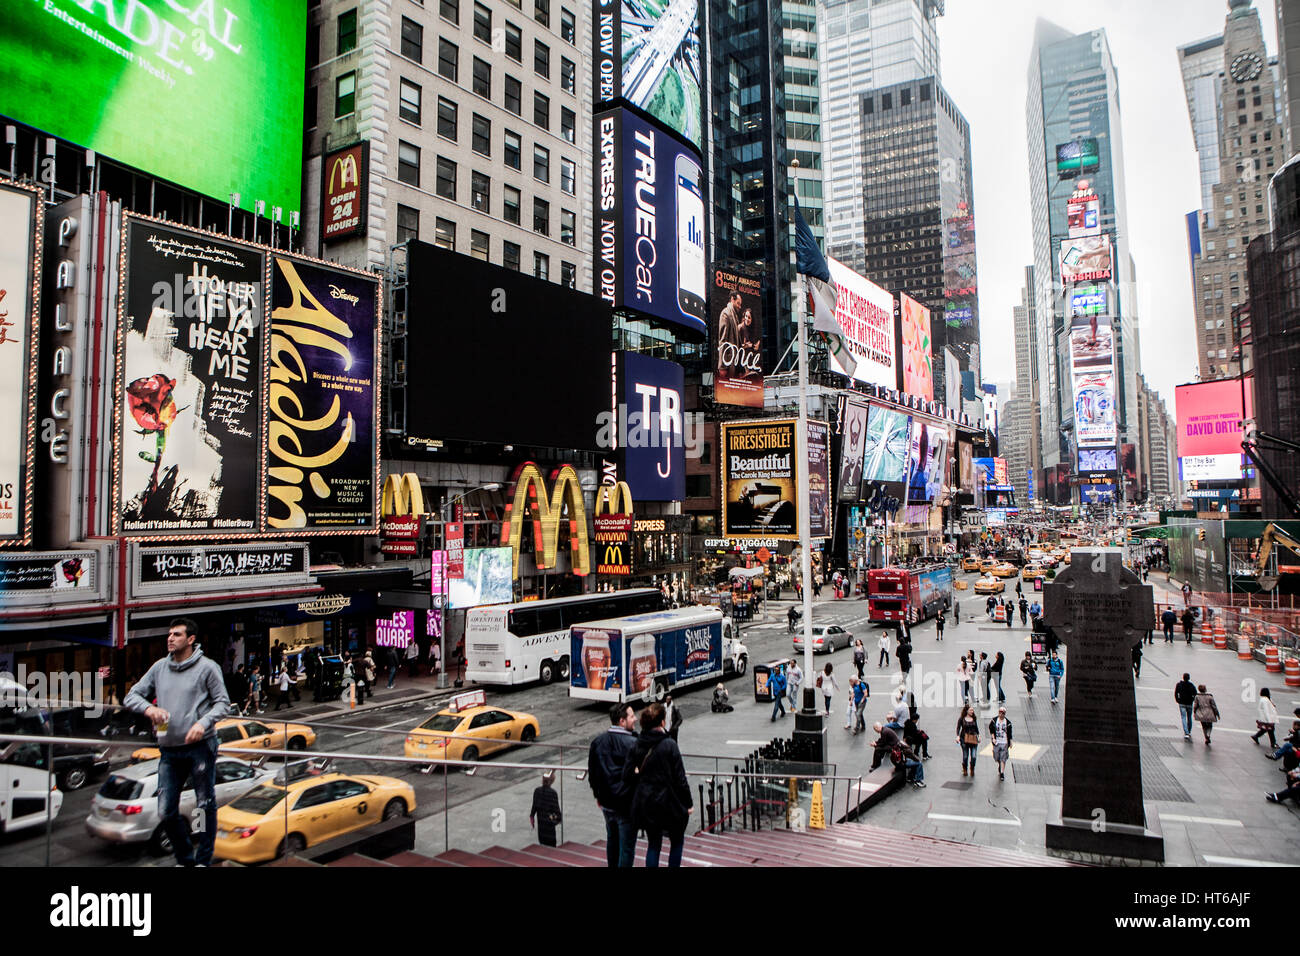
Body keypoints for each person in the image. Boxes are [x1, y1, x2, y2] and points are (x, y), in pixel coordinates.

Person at [123, 617, 230, 867]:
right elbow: (132, 696)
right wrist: (149, 709)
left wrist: (202, 724)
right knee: (166, 811)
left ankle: (203, 860)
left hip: (200, 747)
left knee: (203, 805)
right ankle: (185, 859)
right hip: (169, 750)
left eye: (177, 635)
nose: (170, 638)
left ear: (191, 639)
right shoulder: (160, 667)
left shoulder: (207, 667)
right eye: (169, 634)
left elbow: (223, 703)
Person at [623, 703, 693, 868]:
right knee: (676, 841)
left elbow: (626, 775)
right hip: (669, 801)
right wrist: (688, 803)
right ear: (662, 722)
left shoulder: (637, 744)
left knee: (653, 844)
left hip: (647, 802)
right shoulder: (669, 744)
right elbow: (680, 778)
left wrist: (638, 773)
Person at [588, 702, 639, 867]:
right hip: (626, 805)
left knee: (612, 841)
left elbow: (593, 773)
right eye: (632, 716)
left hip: (606, 803)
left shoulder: (598, 742)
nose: (636, 719)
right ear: (622, 721)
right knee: (626, 848)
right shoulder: (632, 744)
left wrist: (598, 795)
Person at [529, 772, 562, 847]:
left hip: (541, 822)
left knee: (542, 843)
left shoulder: (537, 791)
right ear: (552, 781)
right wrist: (558, 819)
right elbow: (556, 810)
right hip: (549, 823)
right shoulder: (553, 793)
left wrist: (532, 816)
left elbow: (534, 806)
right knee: (551, 845)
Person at [956, 704, 980, 777]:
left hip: (973, 739)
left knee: (973, 756)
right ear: (967, 711)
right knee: (965, 756)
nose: (972, 711)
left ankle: (972, 768)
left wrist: (979, 736)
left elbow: (976, 728)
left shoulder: (974, 718)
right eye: (971, 710)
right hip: (964, 739)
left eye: (973, 710)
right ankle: (965, 768)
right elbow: (958, 728)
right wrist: (957, 736)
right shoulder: (962, 719)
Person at [989, 707, 1013, 781]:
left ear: (1004, 714)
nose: (1001, 714)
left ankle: (1002, 772)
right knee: (996, 756)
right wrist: (993, 738)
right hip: (996, 742)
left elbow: (1010, 733)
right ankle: (999, 764)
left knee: (1003, 758)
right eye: (1000, 713)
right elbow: (991, 729)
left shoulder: (1008, 723)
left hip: (1004, 742)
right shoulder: (994, 720)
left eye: (1002, 713)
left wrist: (1011, 742)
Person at [1174, 672, 1198, 740]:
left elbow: (1176, 693)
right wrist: (1192, 699)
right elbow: (1195, 693)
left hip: (1181, 703)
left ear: (1183, 677)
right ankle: (1189, 730)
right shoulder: (1191, 685)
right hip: (1189, 703)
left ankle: (1186, 732)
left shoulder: (1179, 684)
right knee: (1189, 717)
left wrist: (1177, 700)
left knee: (1183, 717)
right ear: (1189, 678)